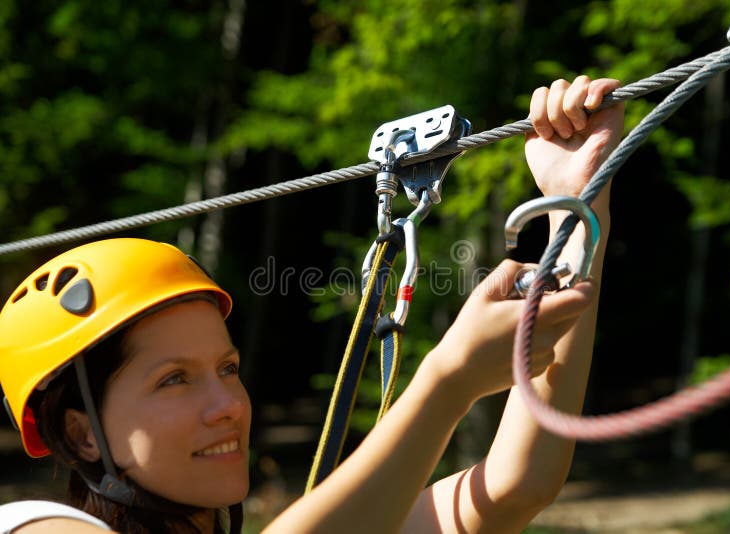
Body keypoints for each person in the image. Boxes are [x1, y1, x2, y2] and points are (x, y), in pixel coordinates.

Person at [0, 74, 623, 533]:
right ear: (82, 436)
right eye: (173, 380)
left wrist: (577, 209)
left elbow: (515, 485)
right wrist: (447, 380)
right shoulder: (36, 527)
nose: (227, 407)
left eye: (227, 369)